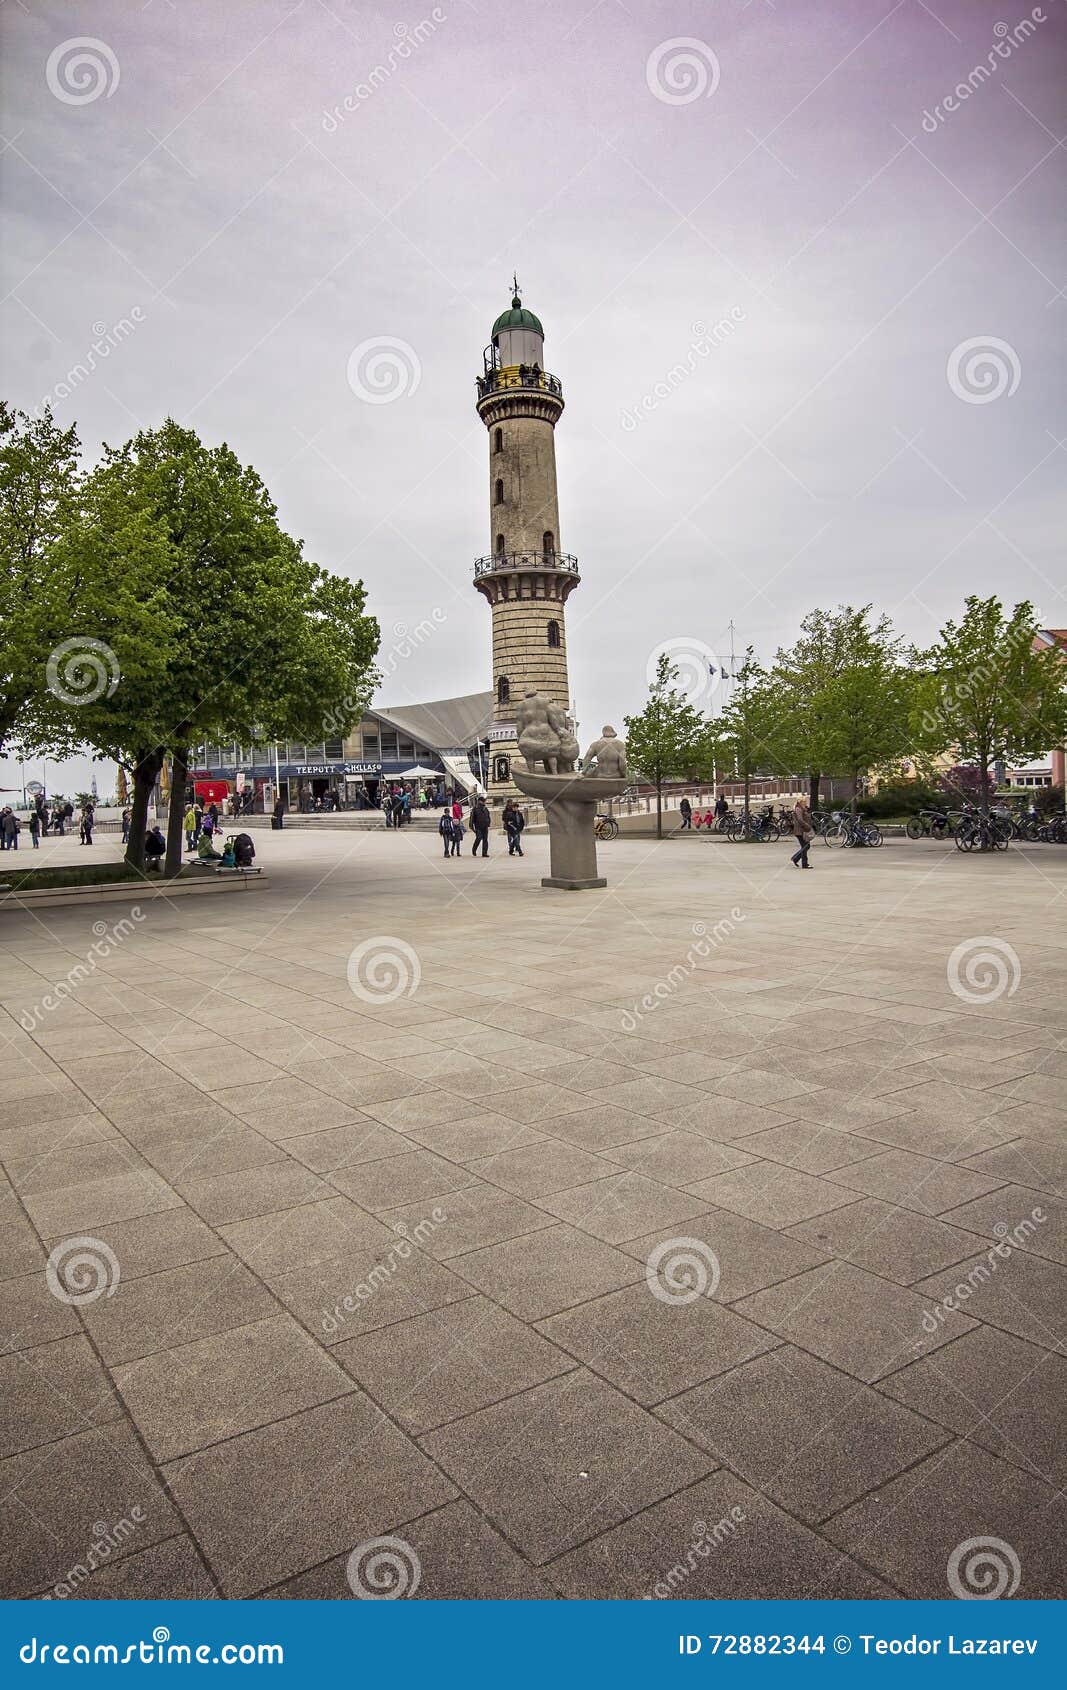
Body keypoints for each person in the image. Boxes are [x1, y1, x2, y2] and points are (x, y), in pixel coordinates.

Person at [791, 795, 814, 869]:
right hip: (800, 831)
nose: (806, 802)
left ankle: (795, 858)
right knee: (805, 846)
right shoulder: (798, 809)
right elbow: (800, 820)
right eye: (804, 801)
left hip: (802, 830)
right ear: (800, 802)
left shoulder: (803, 808)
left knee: (805, 846)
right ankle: (804, 864)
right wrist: (807, 826)